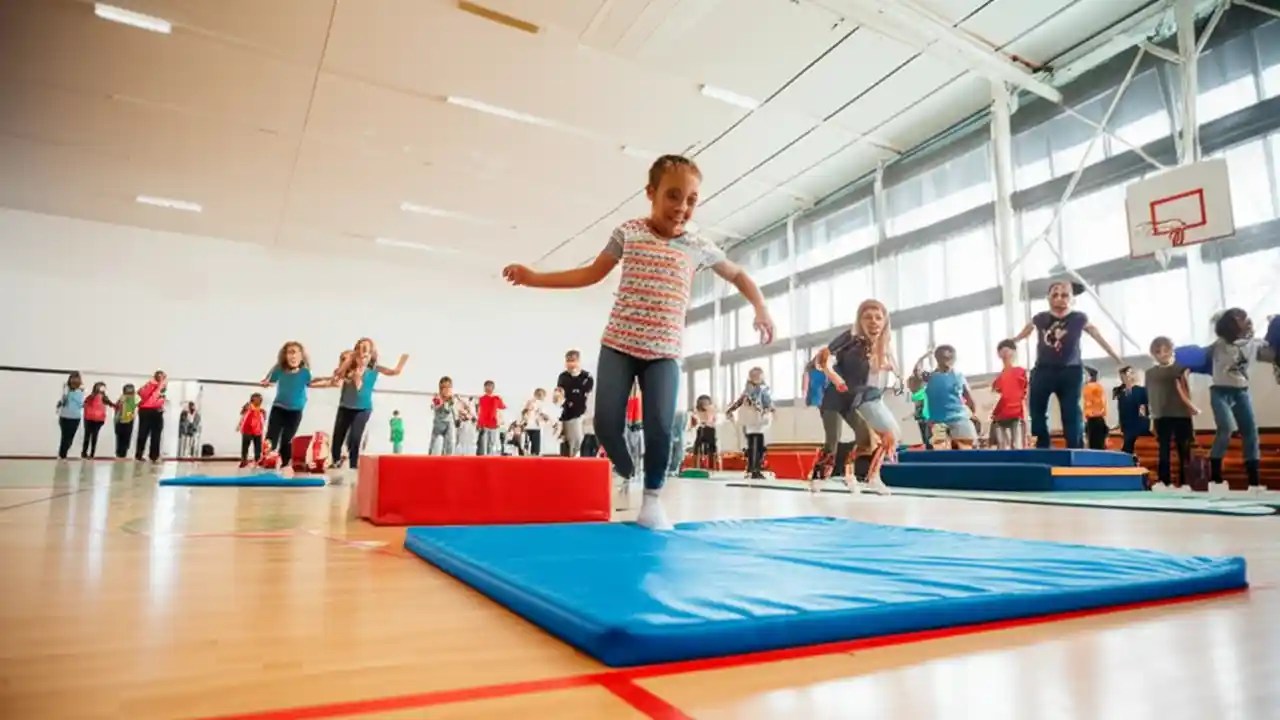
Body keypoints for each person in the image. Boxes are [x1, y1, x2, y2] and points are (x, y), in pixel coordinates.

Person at [502, 154, 774, 529]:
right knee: (608, 424)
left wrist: (760, 307)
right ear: (651, 193)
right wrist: (535, 278)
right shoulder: (629, 232)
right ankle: (626, 467)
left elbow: (738, 274)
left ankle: (652, 499)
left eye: (691, 200)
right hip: (619, 345)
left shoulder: (698, 246)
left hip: (663, 353)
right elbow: (590, 274)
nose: (681, 208)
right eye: (673, 196)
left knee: (661, 424)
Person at [1011, 280, 1122, 448]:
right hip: (1043, 370)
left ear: (1072, 299)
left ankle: (1075, 446)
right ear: (1048, 298)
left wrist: (1117, 358)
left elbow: (1096, 334)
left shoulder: (1078, 318)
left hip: (1070, 371)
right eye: (1055, 295)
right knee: (1037, 410)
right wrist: (1013, 341)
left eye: (1064, 295)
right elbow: (1027, 331)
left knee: (1071, 411)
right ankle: (1043, 444)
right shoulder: (1040, 318)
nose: (1059, 299)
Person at [812, 299, 896, 494]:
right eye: (867, 317)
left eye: (878, 318)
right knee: (833, 439)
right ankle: (819, 476)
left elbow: (874, 377)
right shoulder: (849, 338)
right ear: (860, 320)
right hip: (833, 399)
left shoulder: (881, 347)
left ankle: (853, 474)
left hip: (854, 400)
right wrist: (833, 376)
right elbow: (823, 359)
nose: (873, 322)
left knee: (866, 438)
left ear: (884, 322)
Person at [1207, 308, 1274, 493]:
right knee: (1226, 428)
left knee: (1251, 432)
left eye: (1246, 318)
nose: (1247, 321)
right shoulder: (1219, 345)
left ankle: (1254, 482)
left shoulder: (1254, 344)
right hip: (1220, 392)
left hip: (1241, 392)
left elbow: (1271, 351)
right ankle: (1216, 477)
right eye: (1240, 319)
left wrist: (1273, 323)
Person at [329, 338, 408, 471]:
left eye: (366, 350)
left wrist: (404, 358)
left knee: (355, 437)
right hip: (345, 407)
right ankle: (336, 460)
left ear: (371, 354)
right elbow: (337, 375)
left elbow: (393, 372)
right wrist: (349, 362)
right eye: (359, 350)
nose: (362, 354)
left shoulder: (375, 369)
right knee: (338, 437)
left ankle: (353, 465)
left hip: (363, 409)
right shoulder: (349, 367)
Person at [260, 341, 331, 470]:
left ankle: (284, 463)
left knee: (287, 438)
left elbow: (312, 382)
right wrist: (266, 380)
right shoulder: (279, 370)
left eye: (295, 353)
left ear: (301, 356)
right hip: (279, 407)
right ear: (285, 356)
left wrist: (329, 381)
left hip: (295, 411)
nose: (293, 356)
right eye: (289, 353)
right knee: (271, 436)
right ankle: (267, 459)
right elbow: (270, 379)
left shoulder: (305, 373)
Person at [1146, 336, 1199, 491]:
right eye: (1157, 351)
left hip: (1181, 415)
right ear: (1153, 354)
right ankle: (1164, 482)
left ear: (1171, 350)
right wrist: (1151, 419)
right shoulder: (1150, 373)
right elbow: (1150, 396)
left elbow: (1187, 392)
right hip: (1161, 416)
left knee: (1184, 450)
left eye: (1165, 350)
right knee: (1164, 450)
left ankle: (1185, 482)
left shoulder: (1181, 369)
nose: (1162, 354)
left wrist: (1190, 414)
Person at [914, 346, 978, 450]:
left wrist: (974, 415)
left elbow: (969, 399)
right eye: (943, 358)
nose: (946, 361)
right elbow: (916, 371)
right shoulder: (930, 376)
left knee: (968, 450)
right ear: (937, 359)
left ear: (954, 359)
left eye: (949, 358)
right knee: (938, 454)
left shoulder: (958, 376)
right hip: (937, 423)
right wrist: (925, 356)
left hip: (959, 420)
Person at [726, 367, 774, 479]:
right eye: (754, 376)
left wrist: (769, 409)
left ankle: (754, 467)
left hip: (759, 423)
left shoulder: (762, 389)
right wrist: (731, 410)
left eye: (758, 376)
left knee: (759, 447)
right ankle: (754, 469)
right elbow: (741, 400)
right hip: (752, 423)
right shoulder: (750, 390)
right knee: (755, 446)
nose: (756, 378)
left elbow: (766, 402)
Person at [989, 339, 1028, 450]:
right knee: (1001, 447)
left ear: (1014, 352)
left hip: (1017, 415)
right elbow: (996, 397)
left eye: (1008, 350)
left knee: (1017, 445)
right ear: (999, 354)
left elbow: (1026, 392)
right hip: (1000, 416)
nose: (1005, 353)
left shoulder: (1021, 372)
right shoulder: (999, 378)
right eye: (1002, 351)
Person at [555, 350, 594, 457]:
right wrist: (558, 398)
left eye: (573, 361)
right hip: (568, 416)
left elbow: (589, 395)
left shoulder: (587, 377)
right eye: (568, 361)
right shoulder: (563, 377)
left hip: (582, 415)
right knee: (569, 447)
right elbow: (559, 393)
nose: (571, 364)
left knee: (579, 444)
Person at [1112, 366, 1150, 454]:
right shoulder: (1120, 392)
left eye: (1131, 373)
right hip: (1128, 425)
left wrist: (1144, 423)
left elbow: (1143, 409)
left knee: (1128, 446)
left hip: (1136, 424)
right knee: (1128, 445)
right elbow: (1121, 410)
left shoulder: (1141, 390)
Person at [135, 371, 168, 464]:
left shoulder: (163, 386)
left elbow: (160, 397)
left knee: (156, 434)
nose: (163, 378)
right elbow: (142, 395)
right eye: (162, 377)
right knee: (143, 433)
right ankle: (139, 455)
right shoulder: (150, 385)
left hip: (157, 411)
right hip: (146, 410)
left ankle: (154, 456)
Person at [55, 372, 85, 460]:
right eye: (72, 378)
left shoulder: (80, 391)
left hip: (75, 417)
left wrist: (73, 393)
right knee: (64, 437)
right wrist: (64, 396)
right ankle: (62, 455)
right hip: (64, 416)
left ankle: (63, 454)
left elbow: (80, 404)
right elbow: (63, 402)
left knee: (70, 438)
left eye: (76, 378)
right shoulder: (66, 390)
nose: (74, 380)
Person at [81, 382, 114, 459]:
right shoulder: (98, 397)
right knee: (92, 436)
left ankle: (86, 453)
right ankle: (89, 453)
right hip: (95, 419)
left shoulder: (94, 397)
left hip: (92, 419)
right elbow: (111, 404)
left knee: (89, 436)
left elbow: (84, 404)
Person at [430, 377, 461, 455]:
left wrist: (456, 419)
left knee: (450, 443)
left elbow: (452, 409)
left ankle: (448, 460)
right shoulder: (437, 397)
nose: (447, 390)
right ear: (440, 389)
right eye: (444, 387)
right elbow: (435, 407)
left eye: (449, 387)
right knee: (435, 445)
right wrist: (443, 402)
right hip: (439, 424)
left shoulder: (451, 399)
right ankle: (430, 459)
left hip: (449, 423)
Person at [475, 381, 506, 456]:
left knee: (492, 444)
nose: (488, 388)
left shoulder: (496, 398)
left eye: (490, 386)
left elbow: (502, 407)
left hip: (494, 425)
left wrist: (500, 398)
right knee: (483, 444)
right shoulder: (481, 399)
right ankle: (483, 460)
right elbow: (479, 412)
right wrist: (478, 423)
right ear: (484, 388)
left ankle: (490, 460)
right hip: (484, 425)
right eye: (486, 386)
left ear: (493, 388)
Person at [691, 395, 719, 471]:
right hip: (706, 429)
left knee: (699, 446)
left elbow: (711, 419)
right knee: (707, 447)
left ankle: (698, 465)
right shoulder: (708, 409)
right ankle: (710, 465)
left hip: (706, 429)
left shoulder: (709, 409)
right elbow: (712, 419)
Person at [1083, 367, 1109, 450]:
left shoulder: (1090, 387)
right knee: (1099, 446)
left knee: (1094, 446)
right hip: (1099, 419)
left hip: (1093, 420)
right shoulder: (1100, 388)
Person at [238, 393, 266, 467]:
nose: (258, 401)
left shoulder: (262, 410)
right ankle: (244, 460)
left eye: (259, 399)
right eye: (256, 399)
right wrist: (239, 425)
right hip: (247, 430)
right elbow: (242, 414)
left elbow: (263, 419)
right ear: (252, 399)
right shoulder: (248, 406)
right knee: (245, 446)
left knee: (258, 447)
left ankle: (257, 460)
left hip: (258, 430)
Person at [113, 384, 138, 459]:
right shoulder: (122, 398)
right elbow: (117, 408)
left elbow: (133, 408)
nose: (129, 392)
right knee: (120, 436)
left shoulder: (134, 398)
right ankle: (119, 453)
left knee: (126, 437)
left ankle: (123, 453)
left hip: (129, 419)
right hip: (120, 420)